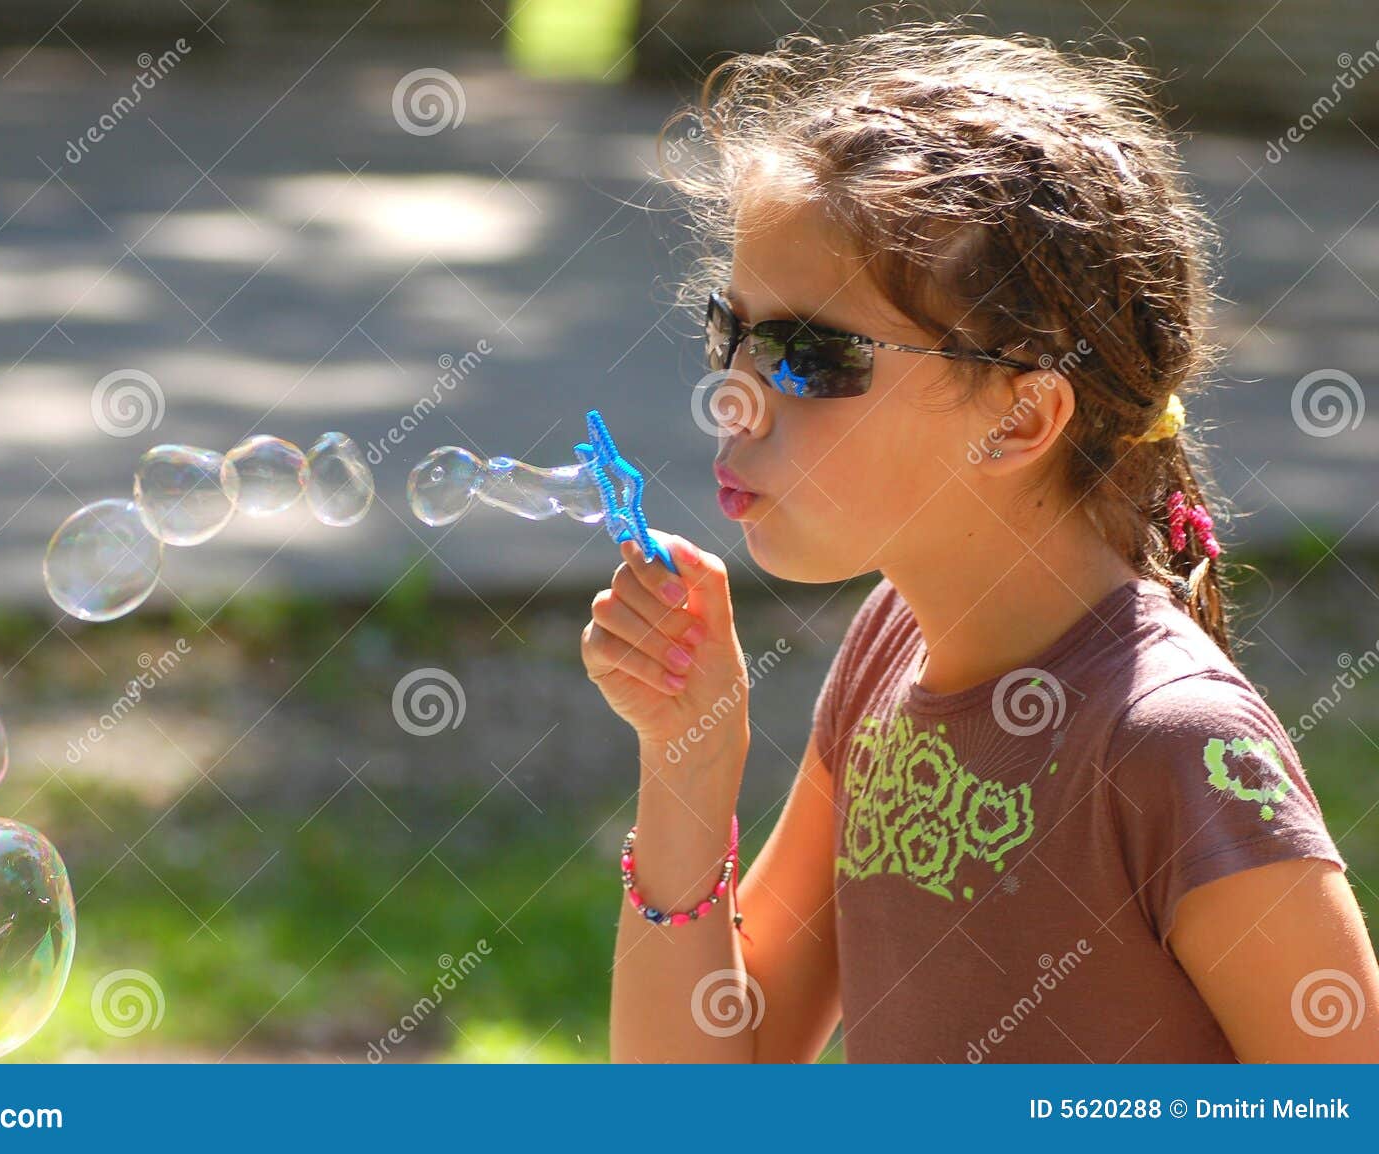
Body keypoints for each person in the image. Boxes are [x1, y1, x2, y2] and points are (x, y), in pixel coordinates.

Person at [583, 21, 1379, 1062]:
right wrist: (688, 757)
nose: (731, 392)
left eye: (809, 355)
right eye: (726, 331)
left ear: (1017, 418)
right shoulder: (887, 649)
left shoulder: (1168, 740)